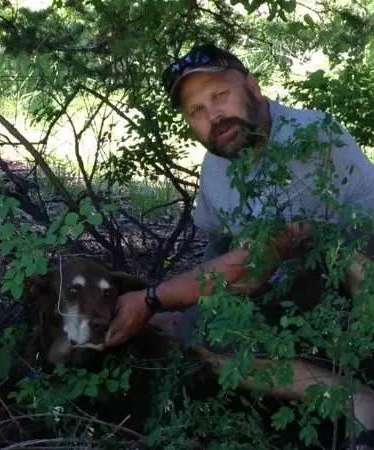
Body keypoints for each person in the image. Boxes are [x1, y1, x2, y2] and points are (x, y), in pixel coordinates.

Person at [105, 43, 374, 447]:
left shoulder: (314, 136)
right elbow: (221, 263)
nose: (213, 115)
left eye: (220, 95)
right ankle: (354, 400)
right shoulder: (215, 176)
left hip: (357, 292)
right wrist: (187, 309)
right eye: (196, 111)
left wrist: (153, 298)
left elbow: (259, 259)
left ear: (252, 86)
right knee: (202, 331)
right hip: (294, 302)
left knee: (340, 242)